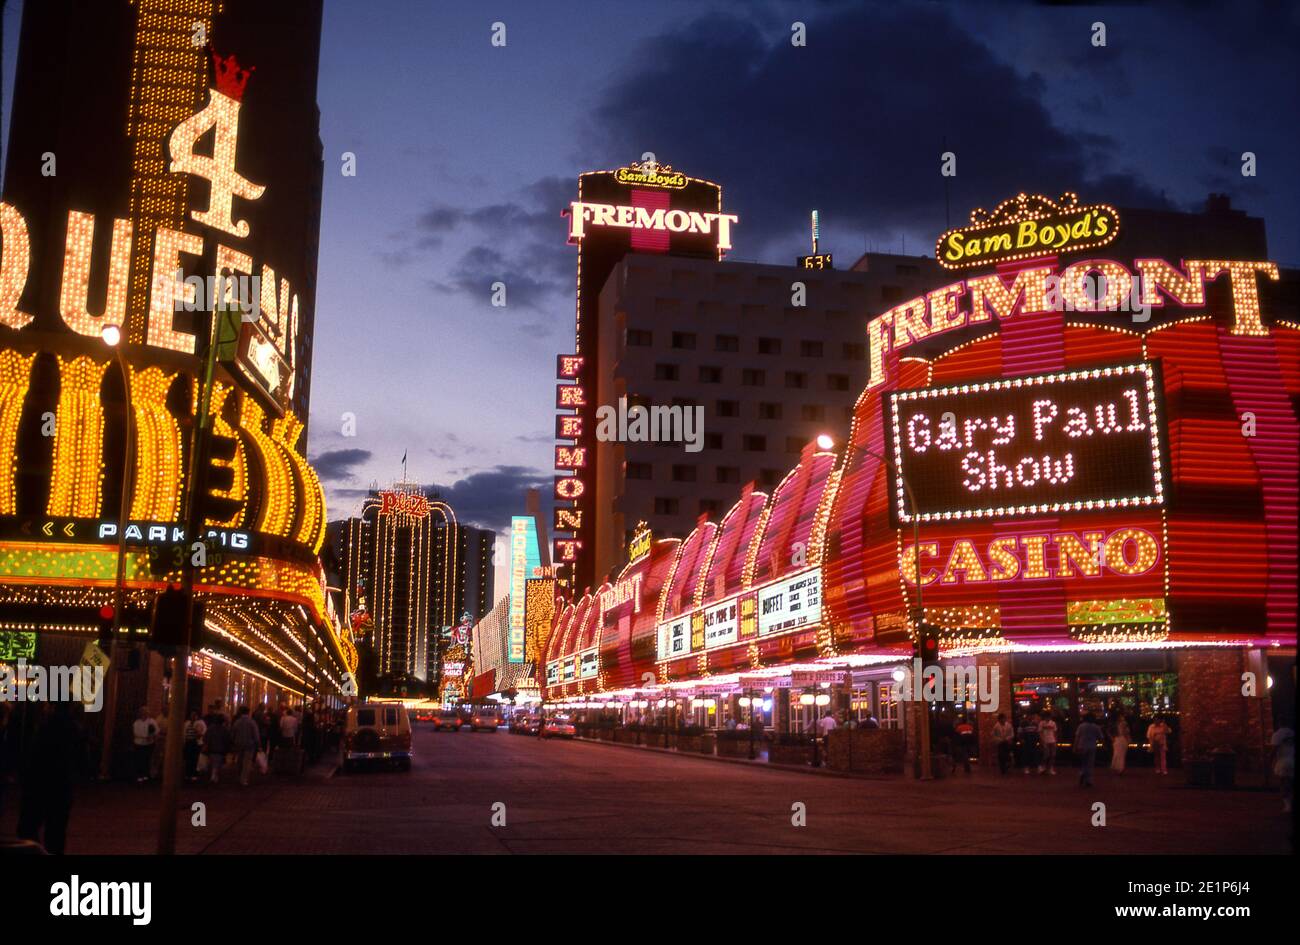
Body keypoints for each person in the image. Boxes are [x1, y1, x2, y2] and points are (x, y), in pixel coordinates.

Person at [16, 704, 88, 855]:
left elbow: (33, 755)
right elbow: (82, 759)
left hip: (40, 783)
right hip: (62, 785)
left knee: (29, 826)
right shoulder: (75, 729)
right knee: (56, 831)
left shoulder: (45, 726)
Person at [230, 706, 261, 786]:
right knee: (247, 762)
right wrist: (257, 743)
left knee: (240, 760)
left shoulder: (238, 722)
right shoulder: (251, 722)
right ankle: (243, 779)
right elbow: (256, 734)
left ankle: (239, 775)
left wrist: (233, 741)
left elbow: (233, 732)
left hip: (239, 744)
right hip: (249, 744)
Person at [1074, 713, 1104, 788]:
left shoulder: (1081, 726)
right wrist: (1103, 744)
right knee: (1090, 763)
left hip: (1081, 746)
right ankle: (1089, 780)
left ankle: (1082, 773)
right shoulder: (1096, 727)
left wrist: (1075, 746)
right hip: (1092, 746)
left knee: (1083, 762)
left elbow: (1077, 737)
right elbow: (1101, 738)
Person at [1270, 723, 1294, 814]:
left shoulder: (1277, 735)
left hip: (1283, 762)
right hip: (1292, 759)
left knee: (1283, 784)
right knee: (1290, 783)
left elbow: (1274, 750)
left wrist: (1270, 761)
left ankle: (1288, 806)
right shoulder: (1292, 733)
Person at [131, 706, 158, 784]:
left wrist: (152, 737)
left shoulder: (152, 721)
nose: (144, 713)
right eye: (143, 712)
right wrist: (146, 737)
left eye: (146, 712)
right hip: (139, 744)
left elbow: (156, 731)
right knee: (139, 760)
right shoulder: (136, 722)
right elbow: (136, 733)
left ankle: (146, 776)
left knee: (147, 760)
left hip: (149, 744)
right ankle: (139, 776)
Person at [202, 713, 231, 783]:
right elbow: (227, 740)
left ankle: (213, 775)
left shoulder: (211, 728)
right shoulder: (224, 730)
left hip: (212, 749)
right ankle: (214, 776)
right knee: (217, 764)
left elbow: (206, 738)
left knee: (212, 763)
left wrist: (206, 745)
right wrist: (227, 749)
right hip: (220, 750)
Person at [182, 711, 206, 782]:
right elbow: (184, 733)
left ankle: (194, 774)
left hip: (196, 743)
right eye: (191, 715)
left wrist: (200, 734)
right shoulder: (187, 723)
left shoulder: (200, 723)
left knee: (195, 759)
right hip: (189, 742)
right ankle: (188, 774)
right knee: (188, 759)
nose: (193, 717)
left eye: (194, 715)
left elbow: (204, 732)